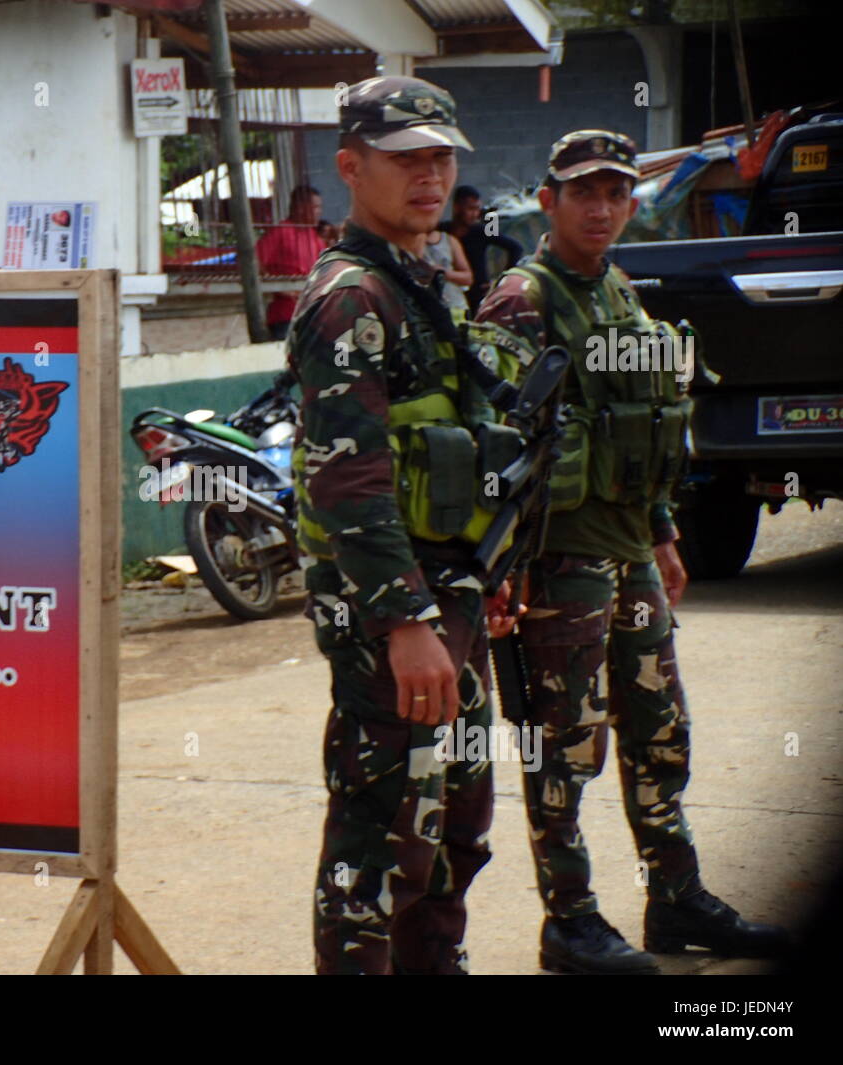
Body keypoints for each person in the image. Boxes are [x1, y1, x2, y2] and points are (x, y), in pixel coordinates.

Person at [475, 130, 792, 974]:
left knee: (659, 729)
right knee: (563, 743)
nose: (603, 207)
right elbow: (487, 450)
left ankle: (676, 897)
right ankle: (570, 920)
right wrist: (502, 570)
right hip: (558, 561)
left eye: (617, 192)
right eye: (585, 192)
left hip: (628, 554)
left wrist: (661, 531)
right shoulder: (519, 300)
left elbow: (648, 422)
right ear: (549, 201)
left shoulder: (619, 288)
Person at [288, 75, 531, 975]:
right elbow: (349, 478)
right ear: (352, 169)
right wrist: (404, 620)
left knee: (455, 821)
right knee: (383, 834)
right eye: (404, 160)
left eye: (440, 157)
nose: (429, 176)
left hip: (452, 593)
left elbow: (457, 439)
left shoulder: (423, 278)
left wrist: (488, 567)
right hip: (395, 612)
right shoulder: (353, 295)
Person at [257, 184, 327, 340]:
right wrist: (281, 288)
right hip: (286, 316)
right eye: (315, 207)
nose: (319, 212)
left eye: (319, 207)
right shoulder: (280, 231)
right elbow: (255, 262)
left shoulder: (315, 238)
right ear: (300, 208)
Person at [446, 185, 523, 314]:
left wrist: (501, 281)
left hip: (478, 294)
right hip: (451, 293)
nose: (474, 214)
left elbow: (515, 248)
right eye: (470, 209)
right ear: (457, 207)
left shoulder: (483, 231)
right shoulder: (443, 231)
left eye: (477, 209)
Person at [420, 227, 471, 323]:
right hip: (427, 310)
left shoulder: (449, 240)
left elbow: (468, 277)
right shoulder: (410, 242)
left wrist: (442, 272)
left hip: (455, 306)